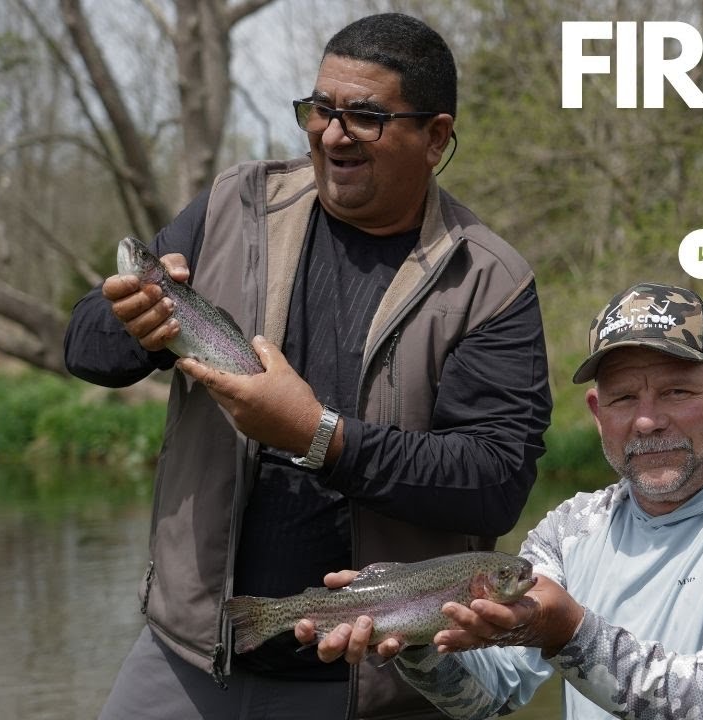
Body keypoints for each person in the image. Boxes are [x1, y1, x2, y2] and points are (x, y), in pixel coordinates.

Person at [63, 12, 551, 720]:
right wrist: (132, 328)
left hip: (373, 688)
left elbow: (492, 480)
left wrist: (320, 437)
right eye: (320, 109)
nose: (332, 132)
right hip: (190, 654)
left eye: (365, 116)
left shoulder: (487, 280)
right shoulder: (239, 202)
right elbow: (86, 351)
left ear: (437, 136)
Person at [305, 282, 703, 718]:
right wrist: (411, 636)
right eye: (624, 397)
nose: (648, 420)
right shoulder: (572, 529)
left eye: (677, 391)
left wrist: (568, 633)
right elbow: (489, 699)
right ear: (596, 413)